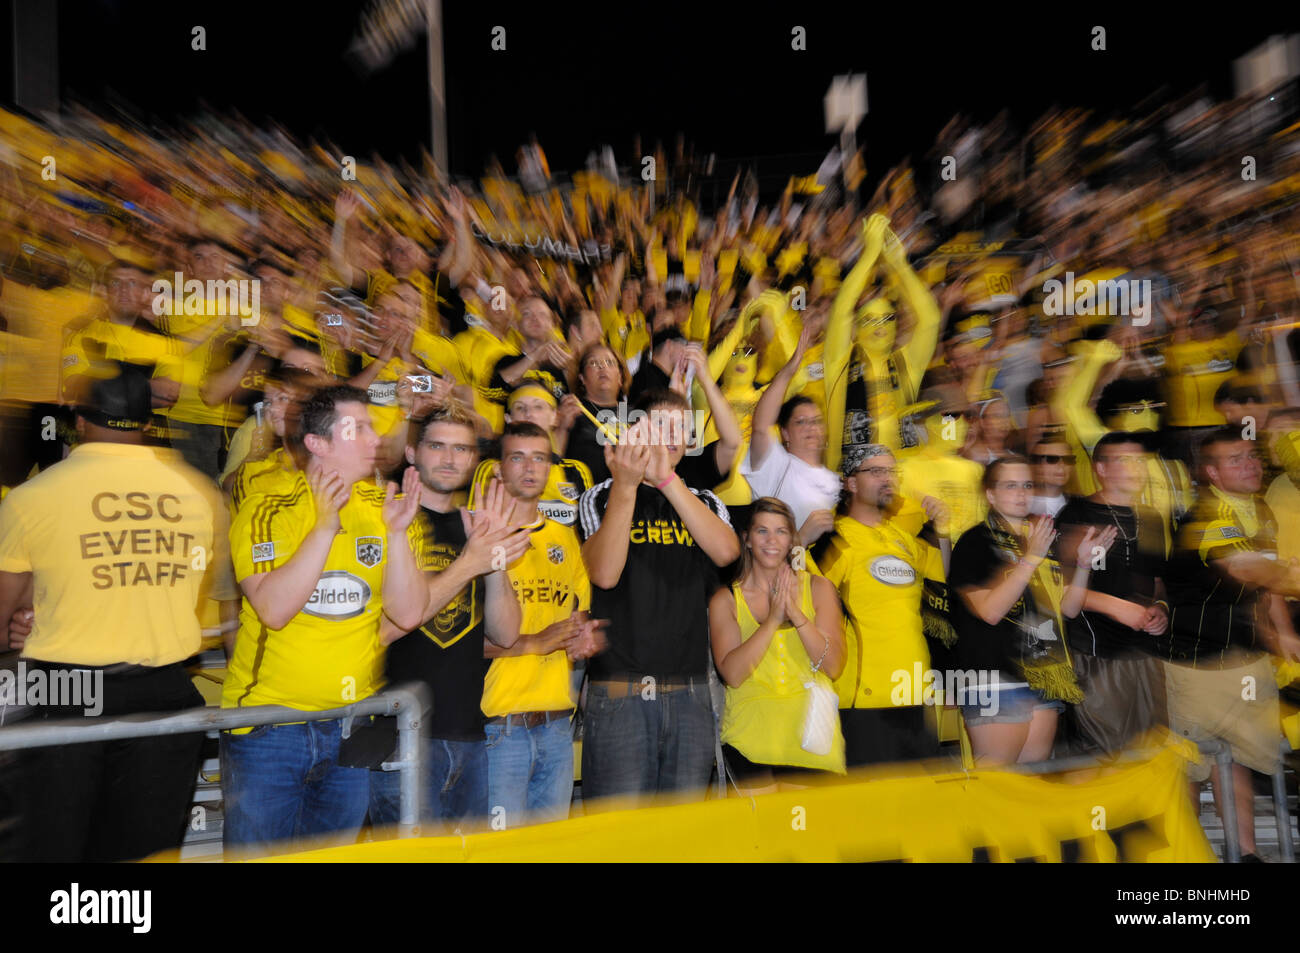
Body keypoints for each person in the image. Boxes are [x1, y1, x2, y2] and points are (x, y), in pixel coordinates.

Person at [0, 364, 226, 861]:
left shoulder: (32, 497)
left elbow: (4, 617)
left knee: (53, 849)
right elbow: (175, 588)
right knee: (146, 854)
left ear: (79, 422)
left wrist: (32, 611)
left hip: (65, 687)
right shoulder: (198, 493)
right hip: (164, 687)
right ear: (147, 421)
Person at [220, 384, 427, 855]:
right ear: (317, 443)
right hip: (268, 730)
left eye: (374, 426)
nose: (375, 438)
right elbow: (272, 610)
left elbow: (409, 613)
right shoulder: (266, 508)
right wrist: (325, 527)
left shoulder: (385, 511)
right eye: (359, 428)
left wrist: (396, 536)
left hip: (349, 729)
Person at [369, 409, 531, 834]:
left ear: (474, 459)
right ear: (411, 452)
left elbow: (507, 633)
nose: (449, 457)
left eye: (461, 448)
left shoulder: (475, 529)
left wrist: (493, 557)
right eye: (436, 445)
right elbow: (390, 625)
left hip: (468, 733)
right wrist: (469, 562)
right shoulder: (387, 524)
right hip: (398, 734)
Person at [577, 388, 740, 807]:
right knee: (620, 836)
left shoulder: (705, 501)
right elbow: (605, 575)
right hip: (621, 690)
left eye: (681, 429)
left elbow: (727, 552)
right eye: (660, 425)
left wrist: (667, 480)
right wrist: (628, 488)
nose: (672, 436)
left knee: (681, 839)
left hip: (689, 689)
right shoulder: (600, 494)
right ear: (637, 432)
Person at [1163, 428, 1300, 860]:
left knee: (1238, 759)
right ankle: (1186, 851)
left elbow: (1268, 587)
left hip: (1246, 661)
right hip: (1195, 665)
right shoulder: (1205, 517)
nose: (1252, 464)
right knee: (1189, 767)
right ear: (1211, 472)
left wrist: (1285, 633)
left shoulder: (1259, 508)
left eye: (1253, 456)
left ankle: (1246, 855)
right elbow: (1254, 573)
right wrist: (1287, 575)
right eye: (1236, 459)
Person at [947, 455, 1114, 766]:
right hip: (994, 679)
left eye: (1027, 485)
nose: (1022, 493)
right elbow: (990, 612)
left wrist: (1082, 565)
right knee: (997, 786)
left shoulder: (1038, 538)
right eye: (1010, 486)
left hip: (1041, 676)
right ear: (990, 495)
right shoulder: (976, 541)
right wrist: (1029, 560)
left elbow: (1069, 608)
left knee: (1031, 783)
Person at [481, 421, 603, 827]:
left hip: (555, 725)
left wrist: (584, 641)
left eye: (539, 458)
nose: (530, 468)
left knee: (549, 850)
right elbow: (457, 642)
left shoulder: (565, 538)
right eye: (517, 457)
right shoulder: (479, 536)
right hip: (500, 728)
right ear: (499, 469)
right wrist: (535, 642)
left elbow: (577, 625)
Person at [819, 445, 950, 767]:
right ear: (850, 483)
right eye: (876, 471)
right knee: (872, 808)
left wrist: (942, 529)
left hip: (915, 693)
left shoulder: (903, 538)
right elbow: (807, 598)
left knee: (921, 806)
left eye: (892, 472)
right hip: (864, 701)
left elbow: (942, 578)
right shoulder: (834, 538)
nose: (887, 479)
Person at [709, 498, 846, 793]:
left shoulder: (819, 588)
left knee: (809, 838)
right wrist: (772, 621)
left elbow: (833, 666)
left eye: (781, 532)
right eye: (762, 531)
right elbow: (732, 674)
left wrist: (797, 615)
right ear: (746, 539)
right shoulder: (726, 599)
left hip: (812, 740)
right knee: (758, 838)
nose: (772, 541)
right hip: (750, 742)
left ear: (791, 539)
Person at [1055, 431, 1170, 758]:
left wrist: (1160, 607)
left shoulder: (1151, 517)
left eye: (1140, 461)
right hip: (1097, 656)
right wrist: (1116, 607)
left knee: (1152, 753)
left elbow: (1158, 581)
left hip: (1146, 654)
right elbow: (1060, 593)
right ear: (1101, 469)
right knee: (1106, 758)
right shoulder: (1077, 515)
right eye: (1124, 461)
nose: (1136, 468)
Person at [741, 325, 841, 548]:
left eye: (816, 421)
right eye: (801, 422)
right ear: (785, 433)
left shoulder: (836, 483)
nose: (811, 428)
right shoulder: (776, 463)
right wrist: (788, 372)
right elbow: (760, 426)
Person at [1028, 438, 1075, 517]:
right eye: (1052, 459)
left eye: (1068, 459)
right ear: (1036, 465)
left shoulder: (1080, 505)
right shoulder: (1021, 505)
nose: (1062, 465)